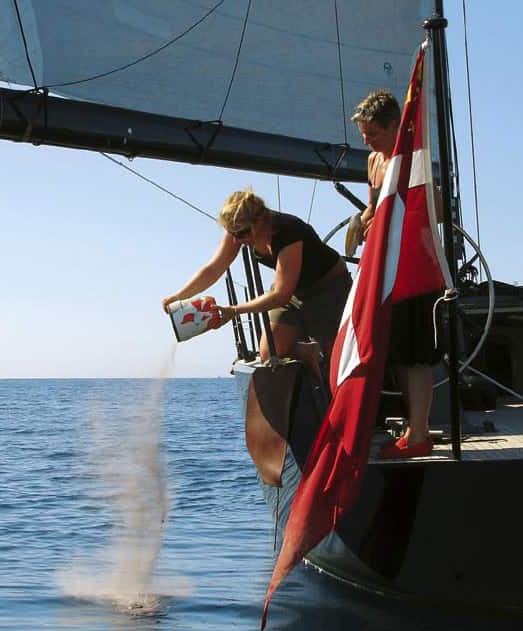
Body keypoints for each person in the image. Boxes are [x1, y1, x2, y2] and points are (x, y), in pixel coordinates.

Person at [161, 188, 351, 368]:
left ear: (260, 221)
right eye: (232, 233)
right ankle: (309, 352)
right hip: (292, 291)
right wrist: (180, 296)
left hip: (329, 288)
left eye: (242, 233)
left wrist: (234, 310)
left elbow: (279, 296)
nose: (236, 240)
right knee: (269, 352)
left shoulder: (289, 232)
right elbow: (214, 268)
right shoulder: (238, 230)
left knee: (337, 357)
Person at [351, 89, 440, 459]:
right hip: (384, 267)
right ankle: (411, 429)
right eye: (363, 133)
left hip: (413, 269)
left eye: (372, 132)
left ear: (393, 126)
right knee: (398, 353)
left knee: (415, 355)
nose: (367, 140)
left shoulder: (413, 163)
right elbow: (374, 208)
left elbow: (427, 211)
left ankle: (419, 435)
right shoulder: (373, 162)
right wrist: (363, 224)